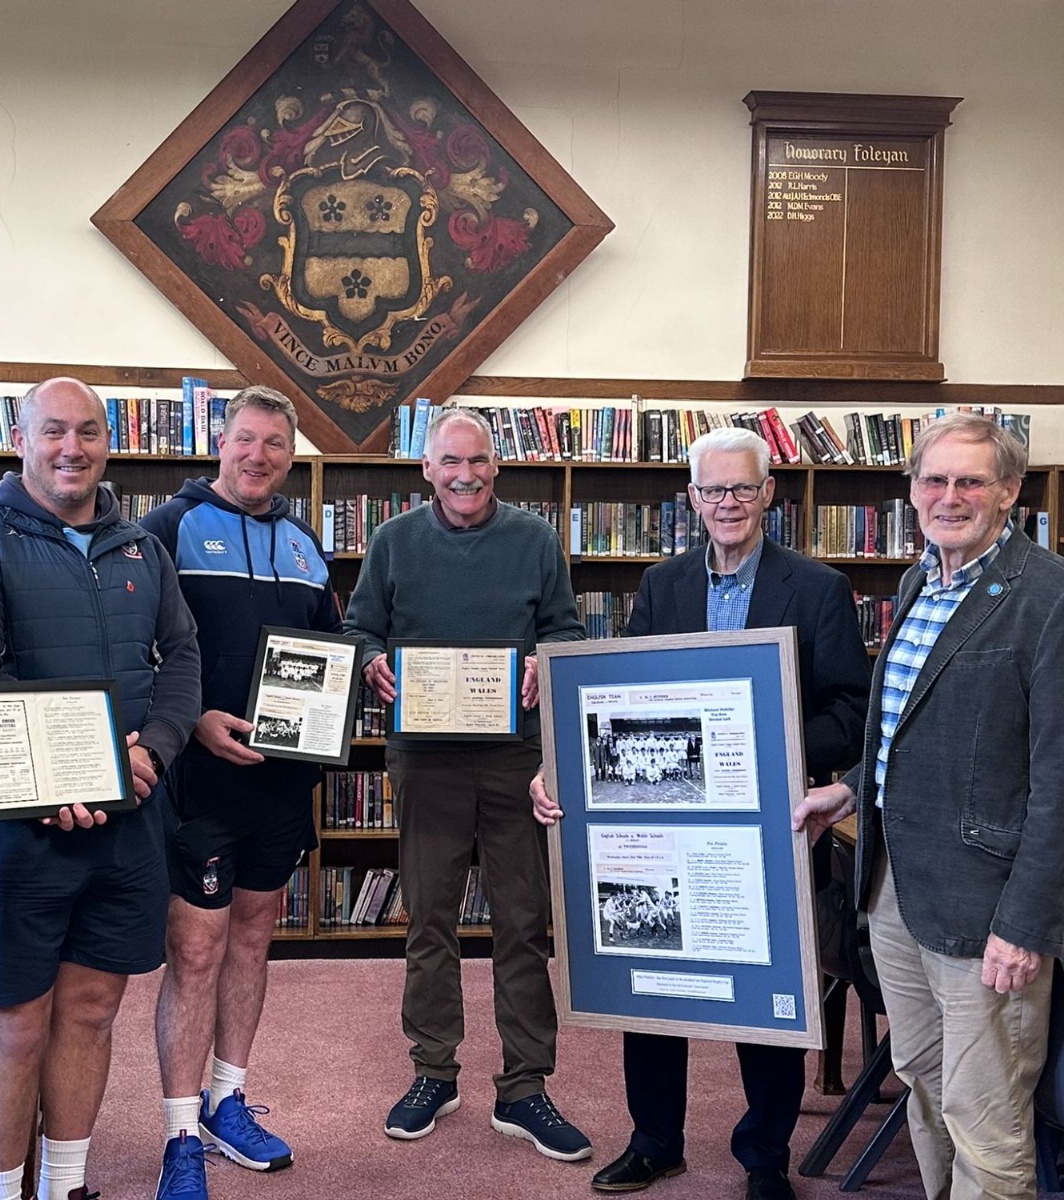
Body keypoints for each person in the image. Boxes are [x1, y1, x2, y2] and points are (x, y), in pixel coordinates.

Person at [532, 426, 870, 1200]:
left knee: (765, 988)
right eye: (713, 490)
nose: (727, 503)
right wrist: (563, 768)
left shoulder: (817, 587)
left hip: (775, 822)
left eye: (742, 489)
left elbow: (851, 712)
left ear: (768, 495)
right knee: (653, 977)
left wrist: (760, 737)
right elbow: (624, 699)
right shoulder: (662, 584)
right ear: (692, 499)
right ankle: (656, 1140)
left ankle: (764, 1157)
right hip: (671, 819)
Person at [794, 412, 1064, 1200]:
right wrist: (847, 787)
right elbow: (903, 731)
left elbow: (1057, 780)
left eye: (971, 480)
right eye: (935, 479)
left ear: (1009, 492)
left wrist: (1026, 924)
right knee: (925, 1083)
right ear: (911, 490)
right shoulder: (922, 581)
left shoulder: (1046, 599)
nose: (950, 495)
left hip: (985, 911)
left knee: (986, 1114)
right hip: (895, 892)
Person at [0, 377, 201, 1200]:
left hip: (129, 821)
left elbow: (182, 658)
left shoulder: (143, 547)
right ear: (20, 439)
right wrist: (48, 782)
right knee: (14, 1024)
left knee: (93, 1011)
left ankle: (64, 1187)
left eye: (89, 432)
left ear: (108, 442)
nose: (72, 448)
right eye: (54, 431)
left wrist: (157, 751)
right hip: (23, 835)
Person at [342, 406, 591, 1162]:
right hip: (427, 759)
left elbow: (567, 631)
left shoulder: (535, 540)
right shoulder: (392, 542)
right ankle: (433, 1072)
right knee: (430, 923)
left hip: (516, 759)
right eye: (450, 462)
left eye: (477, 461)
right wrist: (370, 661)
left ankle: (524, 1087)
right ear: (426, 469)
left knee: (523, 923)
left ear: (496, 466)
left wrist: (545, 662)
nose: (465, 475)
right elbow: (357, 629)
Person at [139, 385, 340, 1199]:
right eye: (245, 440)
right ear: (220, 443)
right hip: (200, 781)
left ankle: (229, 1101)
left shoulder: (305, 543)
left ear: (290, 458)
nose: (258, 457)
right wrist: (190, 723)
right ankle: (180, 1133)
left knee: (255, 939)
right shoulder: (166, 530)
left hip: (282, 785)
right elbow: (138, 652)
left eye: (275, 446)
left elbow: (331, 650)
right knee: (195, 950)